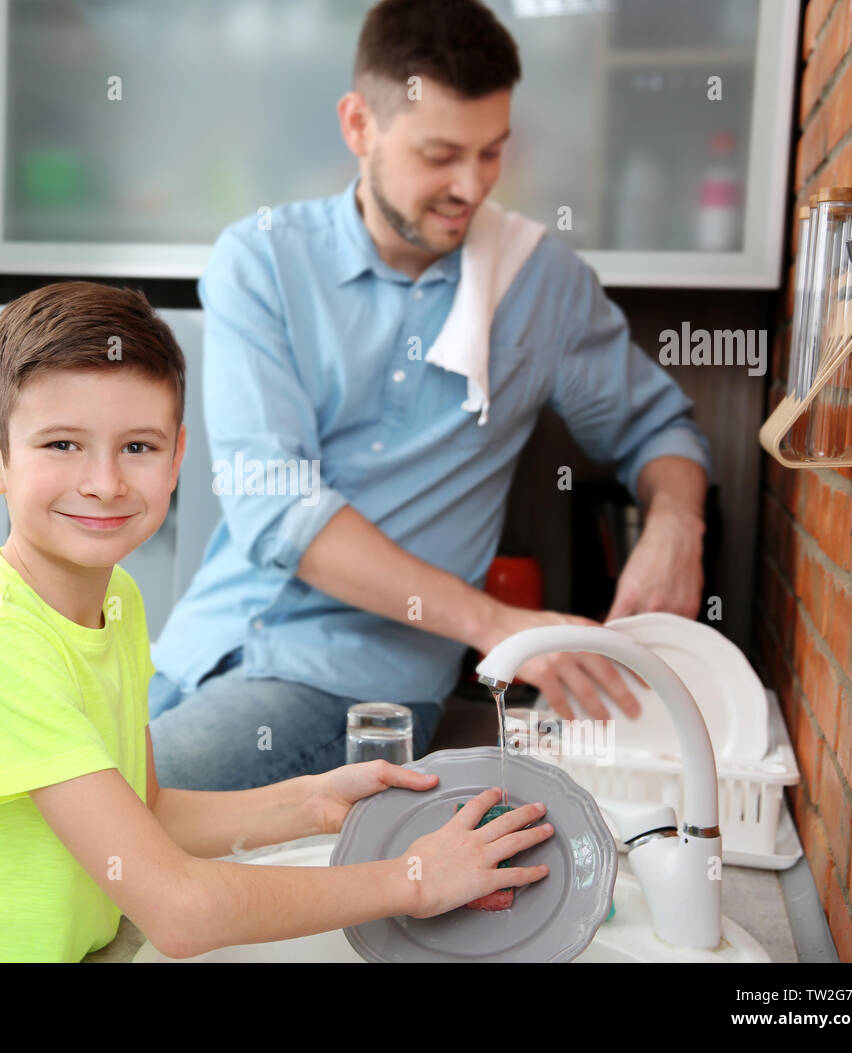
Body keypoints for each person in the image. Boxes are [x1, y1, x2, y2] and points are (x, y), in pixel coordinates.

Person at [0, 280, 554, 962]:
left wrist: (310, 803)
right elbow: (180, 912)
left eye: (137, 446)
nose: (104, 481)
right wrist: (414, 879)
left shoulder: (118, 601)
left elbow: (151, 811)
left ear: (177, 455)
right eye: (62, 445)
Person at [148, 0, 713, 791]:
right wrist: (499, 626)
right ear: (358, 126)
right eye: (440, 153)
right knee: (41, 810)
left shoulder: (538, 287)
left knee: (113, 819)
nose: (470, 187)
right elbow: (275, 506)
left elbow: (662, 430)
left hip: (353, 689)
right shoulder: (263, 260)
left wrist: (675, 525)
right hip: (192, 647)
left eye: (491, 154)